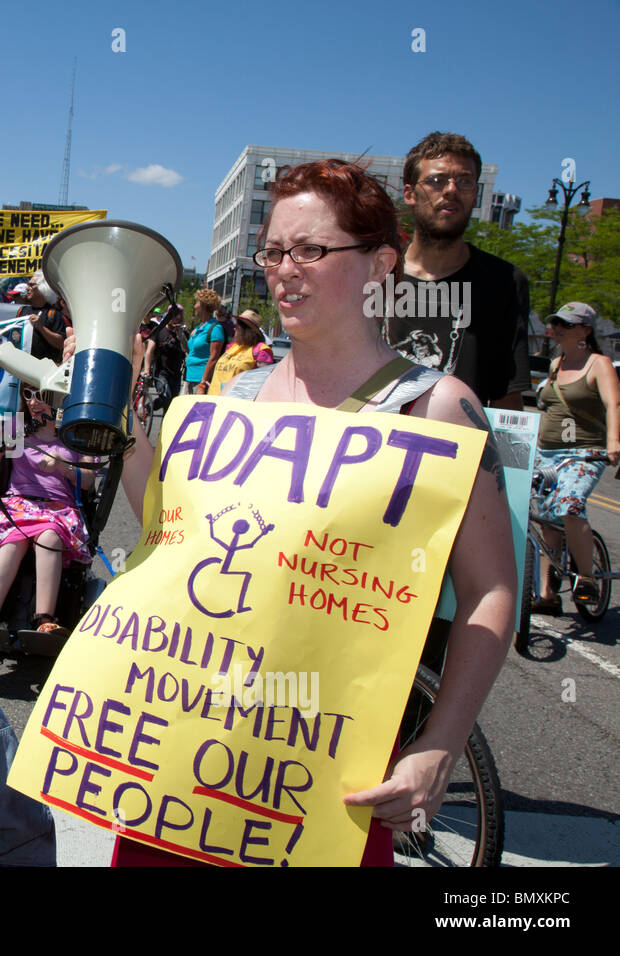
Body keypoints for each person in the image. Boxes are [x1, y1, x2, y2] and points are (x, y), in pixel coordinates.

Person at [70, 159, 515, 866]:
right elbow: (169, 532)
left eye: (311, 250)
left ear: (379, 265)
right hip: (181, 767)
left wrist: (439, 744)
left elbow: (492, 590)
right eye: (273, 251)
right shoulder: (240, 395)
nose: (283, 269)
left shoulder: (437, 408)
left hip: (321, 786)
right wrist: (118, 428)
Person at [385, 132, 531, 410]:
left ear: (475, 194)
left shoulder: (504, 282)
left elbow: (506, 395)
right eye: (436, 181)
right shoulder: (371, 272)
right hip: (371, 445)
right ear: (409, 194)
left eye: (464, 181)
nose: (451, 189)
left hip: (457, 449)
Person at [0, 385, 94, 641]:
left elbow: (88, 481)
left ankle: (45, 620)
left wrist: (63, 466)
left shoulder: (77, 432)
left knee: (50, 536)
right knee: (12, 537)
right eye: (28, 395)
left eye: (41, 397)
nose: (33, 403)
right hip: (16, 504)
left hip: (58, 507)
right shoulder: (16, 427)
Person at [530, 302, 620, 612]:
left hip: (584, 453)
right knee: (547, 522)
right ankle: (548, 595)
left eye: (568, 325)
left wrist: (614, 441)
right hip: (548, 454)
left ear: (585, 331)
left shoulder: (599, 364)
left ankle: (587, 578)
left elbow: (613, 405)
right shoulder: (556, 363)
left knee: (570, 506)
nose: (559, 329)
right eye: (557, 323)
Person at [206, 308, 273, 394]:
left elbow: (263, 383)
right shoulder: (232, 347)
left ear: (245, 330)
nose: (234, 329)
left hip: (236, 403)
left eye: (236, 327)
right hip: (214, 399)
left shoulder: (261, 350)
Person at [141, 303, 188, 408]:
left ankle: (154, 415)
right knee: (165, 396)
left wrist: (180, 336)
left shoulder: (183, 333)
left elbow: (186, 350)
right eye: (173, 316)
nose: (176, 319)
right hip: (161, 373)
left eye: (178, 317)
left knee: (171, 406)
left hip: (176, 375)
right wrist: (147, 369)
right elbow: (149, 351)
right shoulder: (159, 331)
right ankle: (148, 409)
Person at [18, 269, 69, 364]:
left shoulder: (54, 313)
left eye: (32, 285)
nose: (27, 288)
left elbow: (61, 343)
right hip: (23, 368)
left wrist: (41, 328)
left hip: (46, 370)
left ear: (43, 287)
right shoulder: (22, 310)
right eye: (28, 284)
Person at [183, 287, 227, 394]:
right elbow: (190, 351)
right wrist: (180, 334)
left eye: (197, 302)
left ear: (203, 305)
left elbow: (213, 357)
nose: (194, 306)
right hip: (190, 377)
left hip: (201, 380)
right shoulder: (199, 328)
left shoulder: (215, 328)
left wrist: (203, 382)